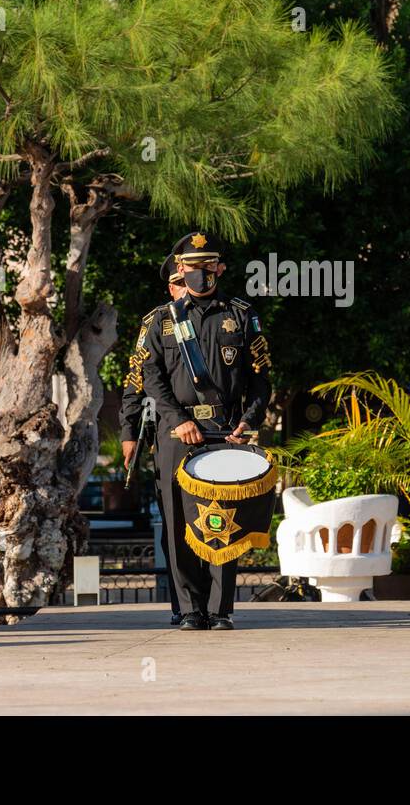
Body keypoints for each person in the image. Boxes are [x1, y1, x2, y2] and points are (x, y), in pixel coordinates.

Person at [138, 232, 271, 631]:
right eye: (192, 267)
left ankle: (220, 609)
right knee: (179, 521)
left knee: (221, 518)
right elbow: (151, 377)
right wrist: (178, 419)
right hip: (177, 434)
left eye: (208, 266)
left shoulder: (242, 315)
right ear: (181, 269)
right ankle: (188, 609)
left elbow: (261, 379)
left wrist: (250, 419)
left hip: (226, 431)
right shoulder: (160, 320)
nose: (200, 273)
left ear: (220, 268)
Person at [120, 254, 186, 625]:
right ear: (170, 287)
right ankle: (181, 603)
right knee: (173, 523)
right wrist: (129, 433)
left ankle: (212, 604)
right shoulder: (157, 322)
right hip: (168, 434)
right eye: (178, 283)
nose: (186, 287)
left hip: (215, 429)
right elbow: (135, 381)